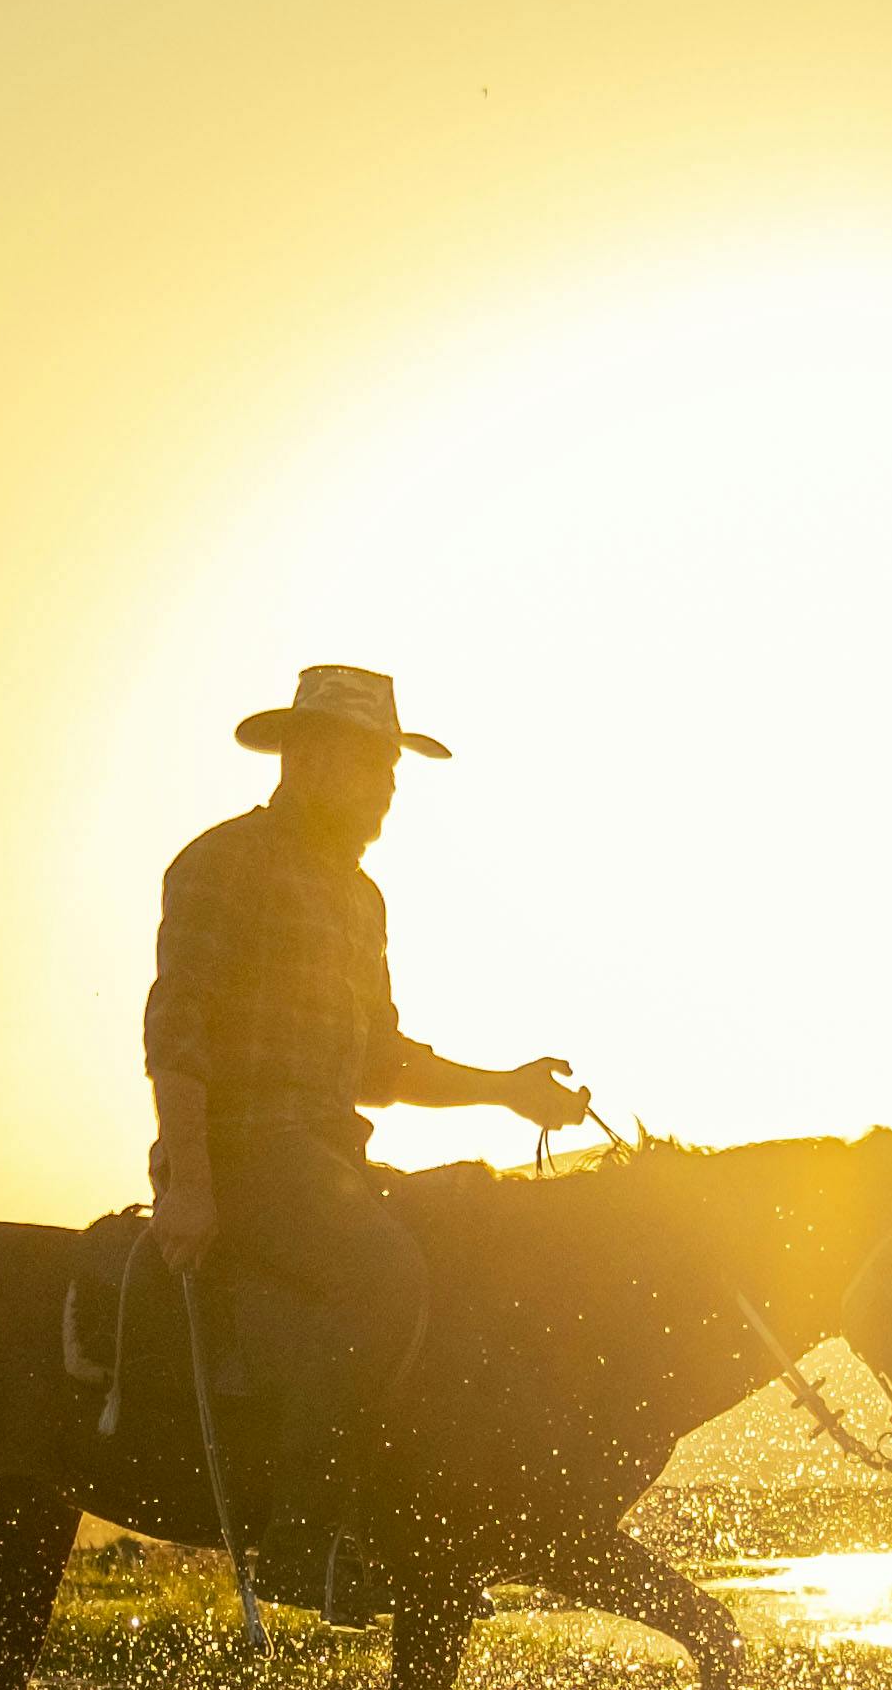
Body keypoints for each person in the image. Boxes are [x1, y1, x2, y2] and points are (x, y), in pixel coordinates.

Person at [142, 662, 583, 1566]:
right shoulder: (222, 863)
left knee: (468, 1242)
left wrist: (507, 1088)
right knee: (381, 1276)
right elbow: (177, 1032)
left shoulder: (358, 898)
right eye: (369, 769)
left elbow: (380, 1064)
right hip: (241, 1152)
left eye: (391, 773)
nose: (386, 793)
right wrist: (189, 1183)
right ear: (303, 759)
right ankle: (304, 1535)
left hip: (327, 1155)